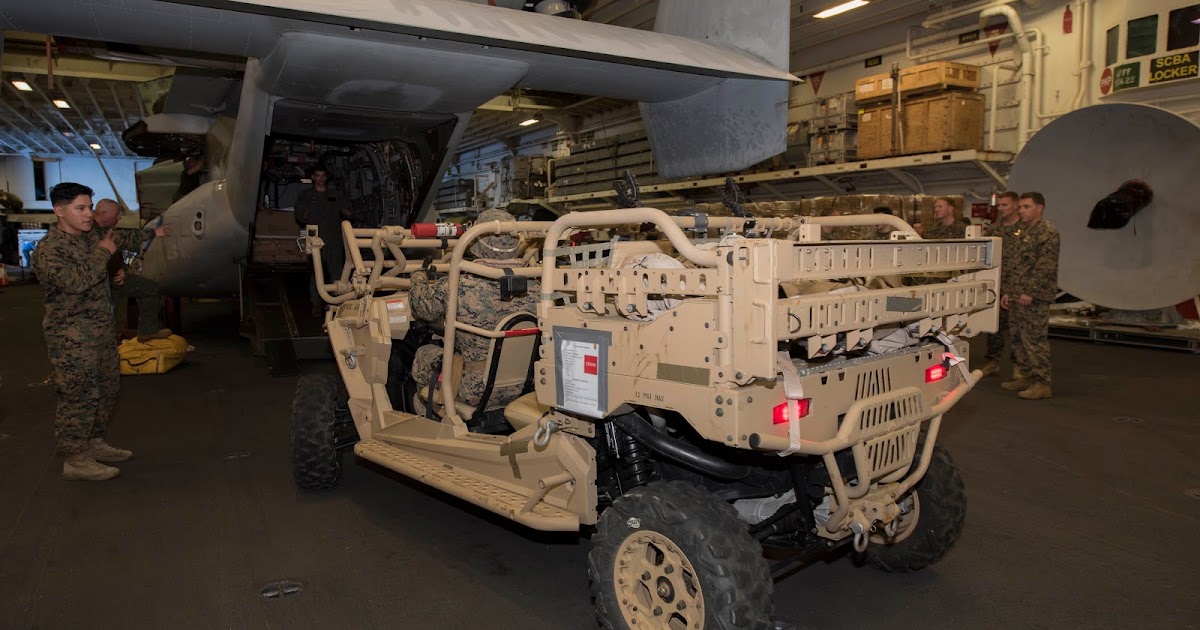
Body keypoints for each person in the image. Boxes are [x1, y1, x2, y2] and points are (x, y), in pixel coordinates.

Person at [30, 183, 144, 480]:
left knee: (107, 389)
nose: (88, 214)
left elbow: (110, 249)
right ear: (59, 211)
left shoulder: (88, 235)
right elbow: (75, 281)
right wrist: (104, 255)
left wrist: (115, 268)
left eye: (89, 207)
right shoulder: (49, 249)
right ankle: (75, 458)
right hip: (71, 336)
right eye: (80, 208)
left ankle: (93, 443)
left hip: (101, 330)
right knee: (78, 395)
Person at [409, 209, 540, 414]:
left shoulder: (459, 285)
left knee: (424, 354)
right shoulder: (536, 287)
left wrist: (418, 276)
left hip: (473, 390)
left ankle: (430, 413)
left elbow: (422, 307)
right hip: (525, 387)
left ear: (476, 242)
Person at [1000, 192, 1059, 400]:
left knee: (1034, 339)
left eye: (1026, 207)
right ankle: (1025, 375)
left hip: (1034, 296)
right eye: (1021, 207)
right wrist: (1009, 292)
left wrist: (1029, 292)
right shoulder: (1023, 231)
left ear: (1039, 208)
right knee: (1018, 339)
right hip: (1017, 294)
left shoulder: (1047, 232)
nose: (1021, 211)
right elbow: (1015, 265)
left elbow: (1045, 268)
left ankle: (1042, 383)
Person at [93, 198, 172, 342]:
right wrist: (153, 232)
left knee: (149, 288)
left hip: (115, 279)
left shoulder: (106, 230)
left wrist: (121, 268)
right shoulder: (89, 231)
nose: (119, 217)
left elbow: (117, 249)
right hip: (99, 284)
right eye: (116, 214)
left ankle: (148, 331)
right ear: (103, 213)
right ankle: (106, 344)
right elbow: (123, 239)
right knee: (107, 319)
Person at [296, 164, 352, 316]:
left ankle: (338, 305)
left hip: (334, 240)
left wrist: (347, 212)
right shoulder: (306, 195)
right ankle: (316, 306)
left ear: (326, 177)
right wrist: (305, 215)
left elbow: (347, 212)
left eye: (323, 175)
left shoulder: (335, 194)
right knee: (316, 275)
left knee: (338, 275)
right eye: (317, 175)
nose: (320, 179)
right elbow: (300, 216)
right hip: (315, 242)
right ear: (313, 177)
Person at [979, 191, 1022, 378]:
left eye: (1005, 205)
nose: (1001, 209)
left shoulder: (1025, 229)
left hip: (1017, 286)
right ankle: (992, 361)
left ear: (1015, 205)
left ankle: (1019, 365)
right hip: (996, 285)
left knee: (1016, 328)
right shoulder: (994, 230)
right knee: (993, 327)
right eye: (1000, 206)